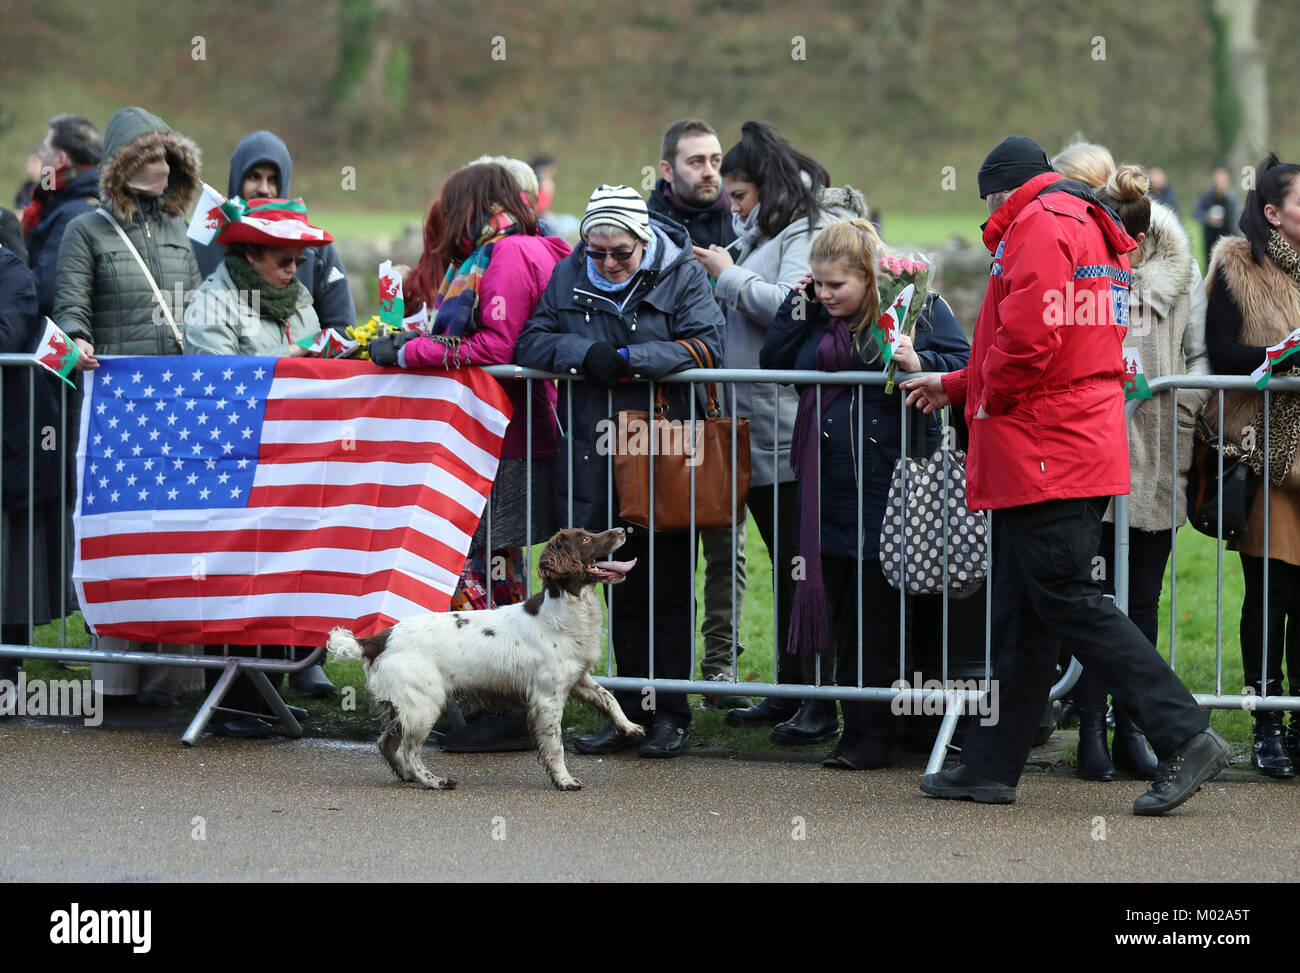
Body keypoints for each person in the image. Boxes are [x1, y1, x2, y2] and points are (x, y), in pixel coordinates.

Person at [902, 135, 1229, 815]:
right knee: (1027, 611)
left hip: (1045, 449)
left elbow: (1028, 343)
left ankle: (1185, 732)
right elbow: (1056, 346)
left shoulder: (1038, 225)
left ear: (999, 192)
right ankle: (991, 765)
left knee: (1067, 599)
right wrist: (959, 385)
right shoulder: (1087, 225)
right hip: (1075, 442)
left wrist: (983, 395)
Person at [515, 184, 725, 758]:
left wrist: (632, 362)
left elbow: (709, 344)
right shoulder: (569, 273)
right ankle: (627, 712)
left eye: (621, 253)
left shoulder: (680, 274)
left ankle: (671, 713)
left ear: (643, 239)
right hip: (593, 451)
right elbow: (532, 339)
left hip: (661, 447)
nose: (608, 263)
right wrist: (584, 356)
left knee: (667, 586)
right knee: (617, 585)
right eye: (597, 251)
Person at [369, 162, 571, 752]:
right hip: (513, 429)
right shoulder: (531, 247)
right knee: (497, 565)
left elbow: (497, 344)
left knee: (474, 562)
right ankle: (509, 702)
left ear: (476, 205)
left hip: (500, 433)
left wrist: (410, 352)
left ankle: (500, 704)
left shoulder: (506, 256)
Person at [762, 219, 968, 768]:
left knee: (887, 608)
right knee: (847, 610)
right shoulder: (814, 315)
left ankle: (889, 730)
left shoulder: (920, 308)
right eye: (819, 283)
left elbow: (967, 368)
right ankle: (861, 726)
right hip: (828, 482)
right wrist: (796, 304)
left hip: (895, 480)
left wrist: (920, 364)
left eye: (837, 286)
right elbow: (774, 363)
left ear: (868, 277)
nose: (826, 295)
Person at [695, 120, 870, 744]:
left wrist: (727, 274)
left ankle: (818, 699)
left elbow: (793, 305)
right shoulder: (763, 231)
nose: (733, 206)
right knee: (786, 566)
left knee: (804, 567)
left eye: (739, 195)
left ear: (764, 186)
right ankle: (791, 691)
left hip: (785, 425)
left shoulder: (806, 231)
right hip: (748, 421)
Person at [1052, 151, 1210, 781]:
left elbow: (1202, 356)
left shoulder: (1180, 269)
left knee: (1142, 596)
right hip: (1089, 446)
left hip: (1156, 447)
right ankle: (1088, 726)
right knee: (1095, 597)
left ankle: (1130, 729)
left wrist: (1176, 399)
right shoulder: (1082, 264)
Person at [55, 105, 206, 705]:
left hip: (177, 411)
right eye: (147, 155)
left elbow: (195, 312)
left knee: (177, 542)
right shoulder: (84, 231)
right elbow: (70, 307)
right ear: (121, 166)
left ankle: (175, 682)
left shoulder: (179, 232)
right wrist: (77, 341)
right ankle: (115, 683)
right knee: (119, 544)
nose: (160, 167)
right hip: (117, 414)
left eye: (167, 156)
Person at [184, 198, 335, 735]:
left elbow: (314, 358)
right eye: (282, 260)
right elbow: (215, 380)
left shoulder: (296, 299)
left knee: (275, 574)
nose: (294, 269)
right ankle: (231, 703)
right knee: (234, 576)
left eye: (298, 260)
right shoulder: (212, 302)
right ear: (251, 254)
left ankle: (265, 693)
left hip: (290, 457)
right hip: (238, 459)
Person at [647, 117, 750, 709]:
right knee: (664, 550)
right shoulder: (642, 229)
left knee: (725, 548)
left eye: (714, 160)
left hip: (727, 410)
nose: (709, 171)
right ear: (667, 170)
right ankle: (666, 677)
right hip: (658, 414)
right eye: (695, 162)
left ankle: (720, 668)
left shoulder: (740, 222)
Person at [1203, 152, 1300, 777]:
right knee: (1271, 596)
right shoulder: (1238, 265)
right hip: (1270, 456)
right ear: (1273, 212)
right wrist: (1287, 356)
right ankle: (1266, 723)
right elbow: (1219, 355)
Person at [192, 131, 355, 340]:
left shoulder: (315, 249)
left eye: (273, 180)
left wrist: (298, 357)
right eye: (254, 177)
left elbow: (342, 330)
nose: (264, 189)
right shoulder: (204, 243)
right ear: (236, 179)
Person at [0, 240, 74, 686]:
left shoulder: (11, 272)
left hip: (11, 443)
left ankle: (5, 674)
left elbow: (7, 336)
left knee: (10, 567)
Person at [23, 114, 102, 320]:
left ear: (61, 159)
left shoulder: (71, 213)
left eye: (45, 149)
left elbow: (46, 292)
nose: (40, 154)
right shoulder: (63, 201)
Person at [1194, 166, 1241, 268]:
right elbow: (1196, 212)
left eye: (1222, 181)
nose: (1219, 184)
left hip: (1228, 241)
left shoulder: (1233, 198)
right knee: (1210, 269)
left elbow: (1237, 221)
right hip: (1210, 241)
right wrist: (1207, 217)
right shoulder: (1206, 196)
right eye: (1217, 181)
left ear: (1227, 182)